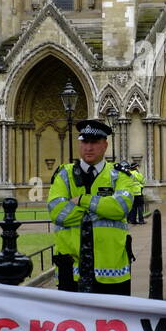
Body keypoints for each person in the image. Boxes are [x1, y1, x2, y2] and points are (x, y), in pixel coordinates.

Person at [47, 120, 134, 294]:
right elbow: (57, 212)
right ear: (79, 143)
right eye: (85, 142)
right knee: (72, 321)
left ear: (105, 145)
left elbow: (120, 208)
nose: (89, 147)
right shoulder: (64, 174)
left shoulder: (119, 175)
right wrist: (102, 210)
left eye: (94, 142)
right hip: (72, 268)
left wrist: (82, 200)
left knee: (114, 321)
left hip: (112, 269)